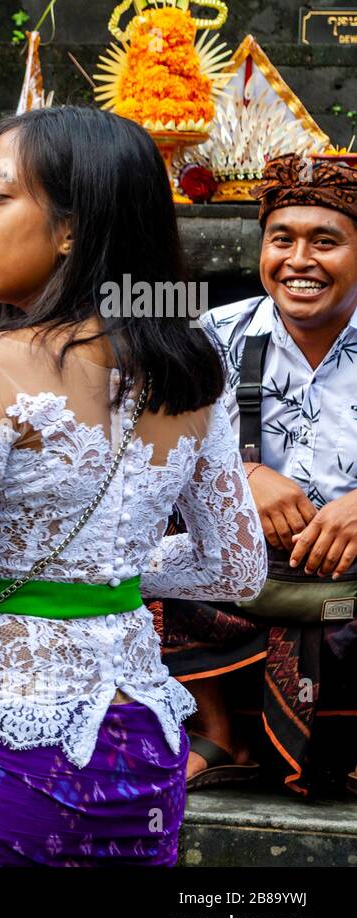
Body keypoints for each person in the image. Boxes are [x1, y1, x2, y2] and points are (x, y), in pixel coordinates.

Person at [0, 106, 267, 867]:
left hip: (10, 748)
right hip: (144, 749)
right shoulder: (192, 361)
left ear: (72, 228)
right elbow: (237, 568)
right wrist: (101, 576)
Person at [163, 153, 357, 795]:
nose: (299, 260)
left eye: (325, 241)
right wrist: (240, 473)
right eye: (282, 239)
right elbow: (156, 453)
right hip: (243, 575)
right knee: (134, 540)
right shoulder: (215, 335)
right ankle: (220, 732)